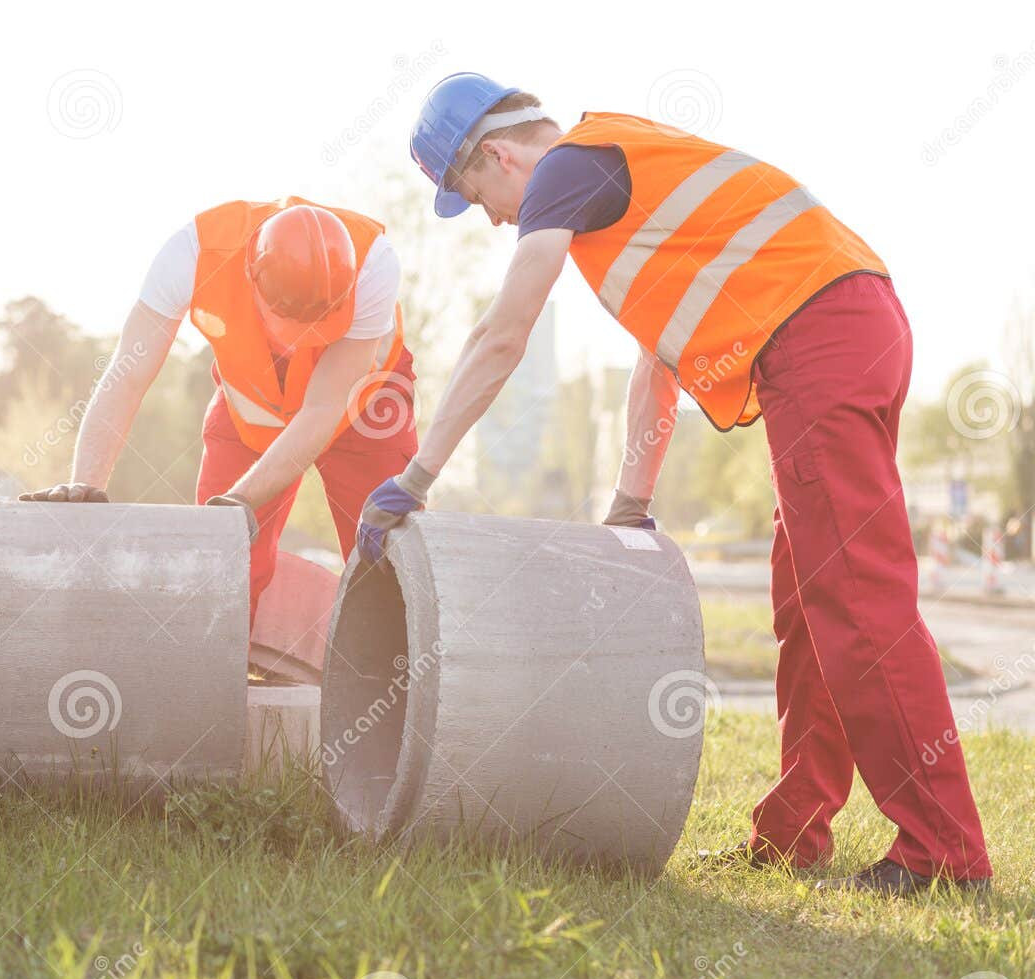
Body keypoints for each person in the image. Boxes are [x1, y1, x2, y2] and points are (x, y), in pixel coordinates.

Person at [357, 73, 991, 895]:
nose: (492, 216)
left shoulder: (562, 175)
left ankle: (944, 853)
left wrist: (415, 474)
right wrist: (630, 503)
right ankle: (794, 831)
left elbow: (501, 335)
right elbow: (658, 363)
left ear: (497, 155)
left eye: (474, 194)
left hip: (821, 334)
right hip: (845, 320)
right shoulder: (624, 179)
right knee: (809, 598)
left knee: (858, 599)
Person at [23, 197, 418, 617]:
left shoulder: (373, 263)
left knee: (389, 552)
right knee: (220, 561)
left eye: (317, 323)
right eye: (290, 321)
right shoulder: (191, 255)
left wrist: (239, 501)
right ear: (253, 281)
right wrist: (85, 484)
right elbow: (128, 376)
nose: (304, 337)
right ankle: (218, 669)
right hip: (251, 401)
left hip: (363, 406)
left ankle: (400, 672)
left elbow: (323, 407)